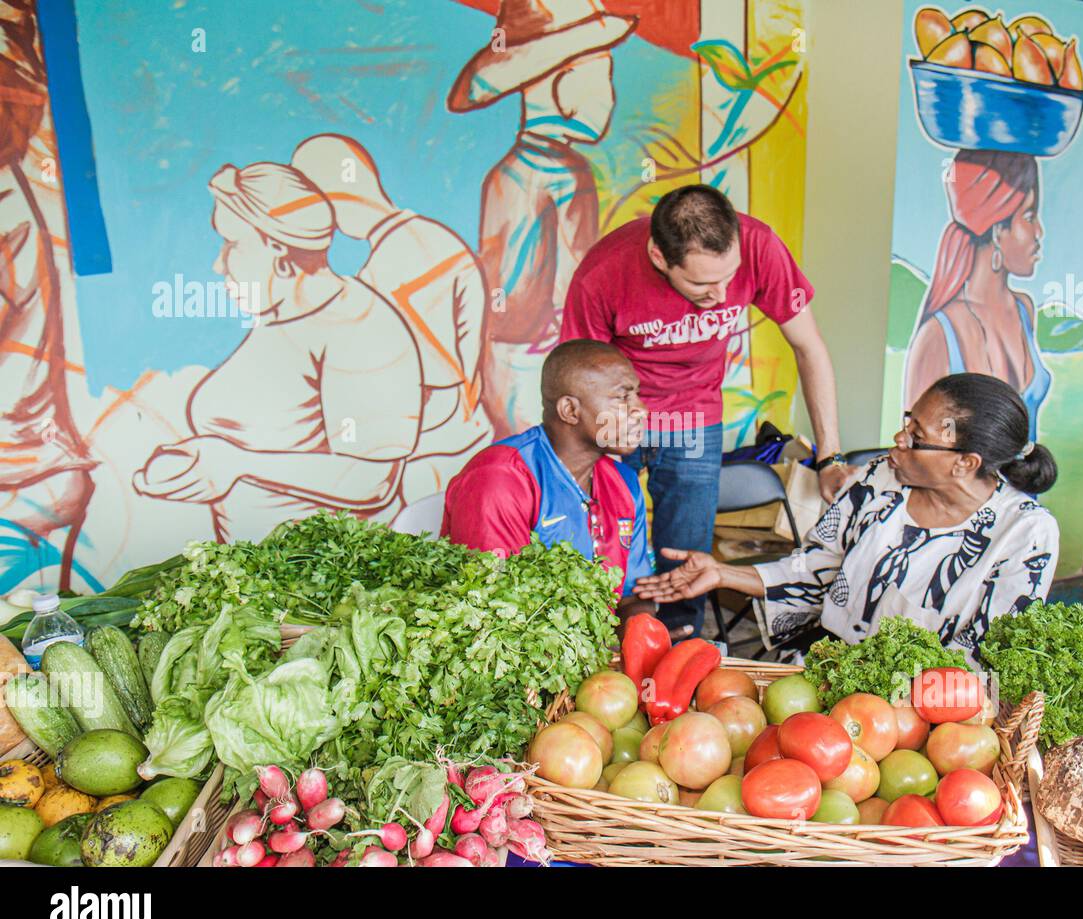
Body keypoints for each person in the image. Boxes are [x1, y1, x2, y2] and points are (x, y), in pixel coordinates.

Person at [562, 183, 851, 638]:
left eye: (728, 277)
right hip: (617, 417)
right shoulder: (603, 274)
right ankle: (591, 645)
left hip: (693, 418)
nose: (721, 295)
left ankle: (680, 645)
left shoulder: (760, 247)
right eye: (700, 282)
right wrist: (603, 442)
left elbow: (808, 347)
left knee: (685, 553)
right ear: (660, 257)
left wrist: (830, 458)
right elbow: (577, 379)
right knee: (596, 543)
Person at [634, 374, 1060, 661]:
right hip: (826, 664)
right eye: (907, 423)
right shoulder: (880, 478)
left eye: (917, 438)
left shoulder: (1023, 534)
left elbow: (991, 660)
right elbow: (815, 570)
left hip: (931, 713)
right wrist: (722, 574)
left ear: (966, 463)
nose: (899, 439)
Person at [133, 162, 424, 541]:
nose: (218, 263)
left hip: (331, 581)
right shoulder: (280, 314)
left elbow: (371, 480)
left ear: (277, 248)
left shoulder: (362, 327)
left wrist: (237, 464)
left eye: (231, 243)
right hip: (262, 576)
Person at [447, 0, 637, 438]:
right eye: (603, 79)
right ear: (564, 86)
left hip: (527, 356)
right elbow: (562, 279)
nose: (609, 97)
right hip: (537, 357)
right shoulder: (552, 176)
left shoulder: (520, 174)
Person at [290, 133, 493, 502]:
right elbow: (470, 344)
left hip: (425, 447)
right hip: (469, 431)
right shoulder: (443, 240)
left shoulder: (376, 277)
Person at [441, 339, 670, 629]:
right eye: (622, 398)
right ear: (570, 410)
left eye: (637, 395)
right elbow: (493, 611)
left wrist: (640, 637)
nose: (641, 410)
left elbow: (633, 596)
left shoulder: (623, 483)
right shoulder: (501, 479)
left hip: (596, 657)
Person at [905, 150, 1051, 440]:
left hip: (1023, 487)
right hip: (962, 486)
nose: (1039, 232)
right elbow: (912, 449)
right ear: (998, 230)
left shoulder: (1024, 310)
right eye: (1030, 216)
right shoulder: (939, 334)